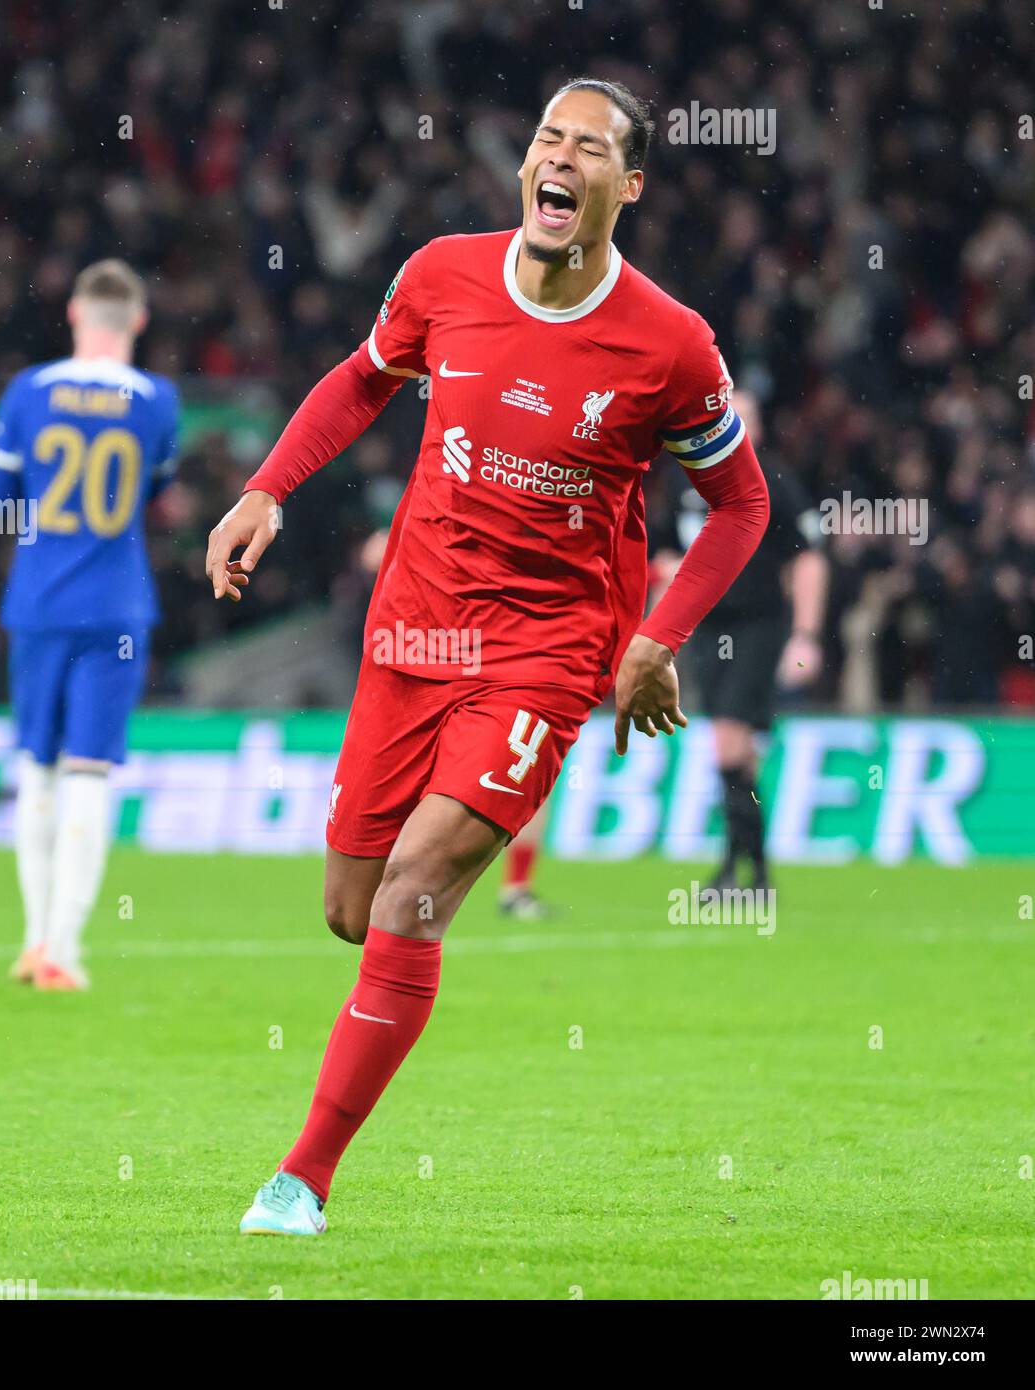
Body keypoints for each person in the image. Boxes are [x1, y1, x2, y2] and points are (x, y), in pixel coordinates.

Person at [205, 78, 770, 1235]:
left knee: (412, 895)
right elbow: (365, 378)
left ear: (629, 184)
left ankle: (299, 1180)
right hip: (413, 628)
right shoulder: (442, 275)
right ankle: (424, 923)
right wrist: (268, 487)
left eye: (590, 146)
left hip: (548, 650)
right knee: (353, 911)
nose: (560, 157)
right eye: (547, 138)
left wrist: (655, 638)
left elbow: (743, 504)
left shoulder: (670, 344)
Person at [0, 260, 180, 991]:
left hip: (38, 605)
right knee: (90, 769)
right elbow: (158, 489)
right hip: (117, 608)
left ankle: (34, 941)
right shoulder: (157, 401)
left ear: (73, 314)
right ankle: (64, 946)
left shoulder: (29, 391)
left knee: (36, 766)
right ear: (139, 322)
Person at [652, 390, 827, 890]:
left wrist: (806, 636)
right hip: (707, 627)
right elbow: (662, 551)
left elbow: (809, 556)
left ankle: (733, 870)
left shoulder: (773, 480)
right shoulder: (687, 478)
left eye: (746, 419)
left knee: (727, 743)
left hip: (758, 626)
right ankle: (757, 871)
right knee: (741, 752)